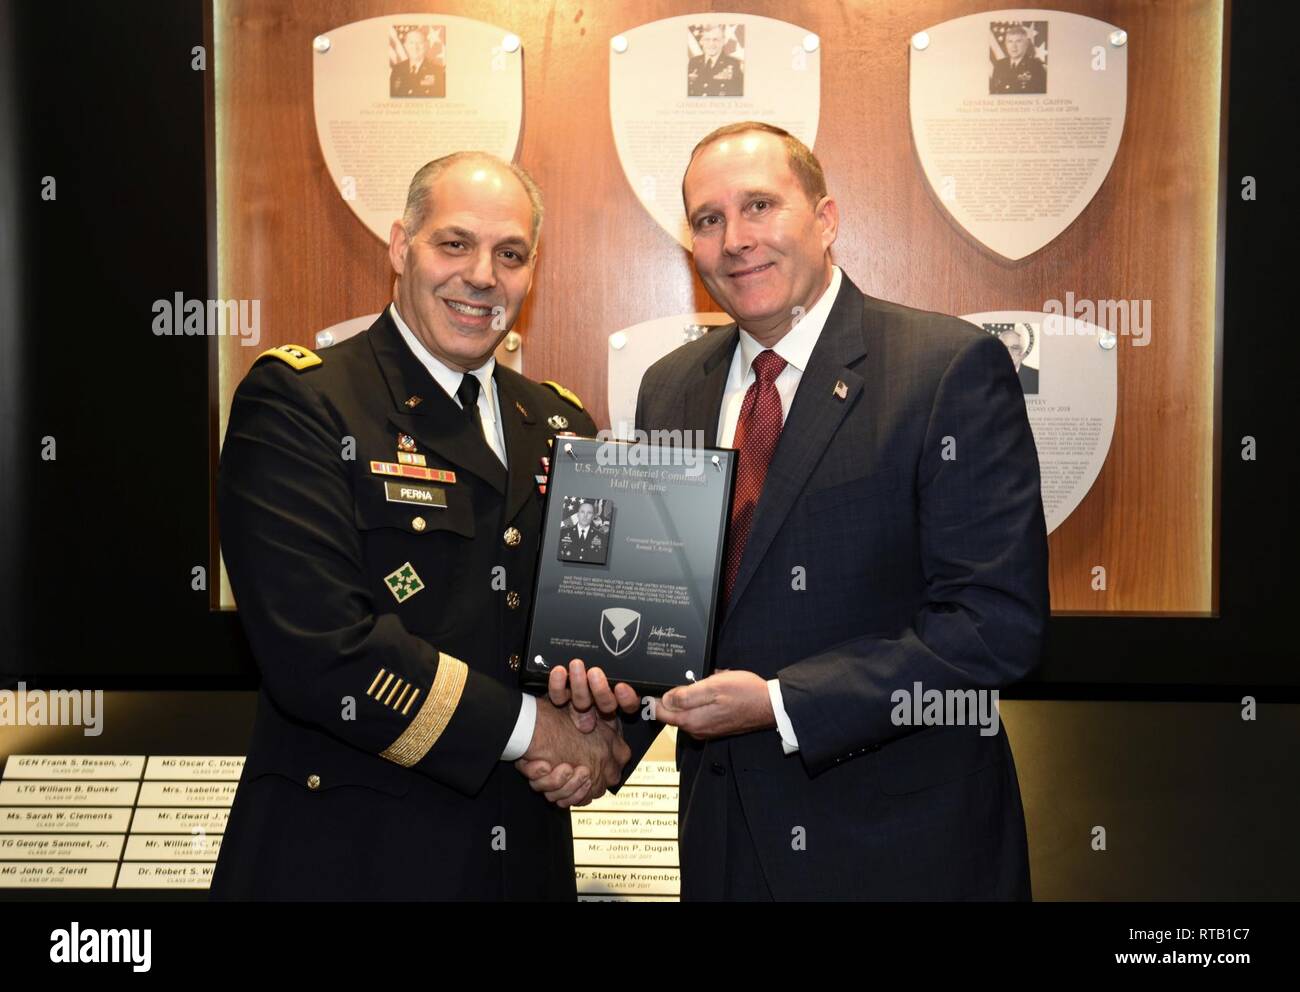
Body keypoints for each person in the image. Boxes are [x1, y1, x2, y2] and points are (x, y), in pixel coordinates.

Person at [528, 123, 1049, 900]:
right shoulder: (672, 387)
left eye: (761, 206)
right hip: (726, 843)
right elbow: (669, 613)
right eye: (709, 220)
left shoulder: (945, 370)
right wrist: (601, 739)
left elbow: (994, 630)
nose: (736, 239)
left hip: (903, 850)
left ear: (827, 218)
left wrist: (779, 704)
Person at [211, 151, 629, 900]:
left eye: (510, 254)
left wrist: (608, 736)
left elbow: (601, 628)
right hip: (349, 861)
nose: (481, 277)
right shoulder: (303, 404)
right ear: (401, 247)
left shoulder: (562, 423)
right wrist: (542, 734)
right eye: (454, 243)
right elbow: (320, 651)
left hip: (520, 861)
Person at [688, 25, 743, 97]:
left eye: (715, 40)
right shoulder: (693, 62)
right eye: (707, 39)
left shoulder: (734, 64)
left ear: (723, 41)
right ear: (701, 41)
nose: (711, 44)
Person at [990, 25, 1046, 94]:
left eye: (1018, 41)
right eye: (1010, 41)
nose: (1014, 46)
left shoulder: (1036, 67)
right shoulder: (999, 65)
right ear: (1005, 44)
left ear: (1026, 44)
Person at [390, 28, 446, 98]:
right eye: (411, 43)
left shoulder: (437, 71)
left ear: (426, 46)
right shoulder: (397, 69)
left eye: (419, 43)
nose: (415, 47)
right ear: (405, 45)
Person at [997, 324, 1039, 393]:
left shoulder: (1036, 377)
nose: (1009, 353)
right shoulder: (988, 376)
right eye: (1004, 347)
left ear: (1022, 351)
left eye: (1015, 348)